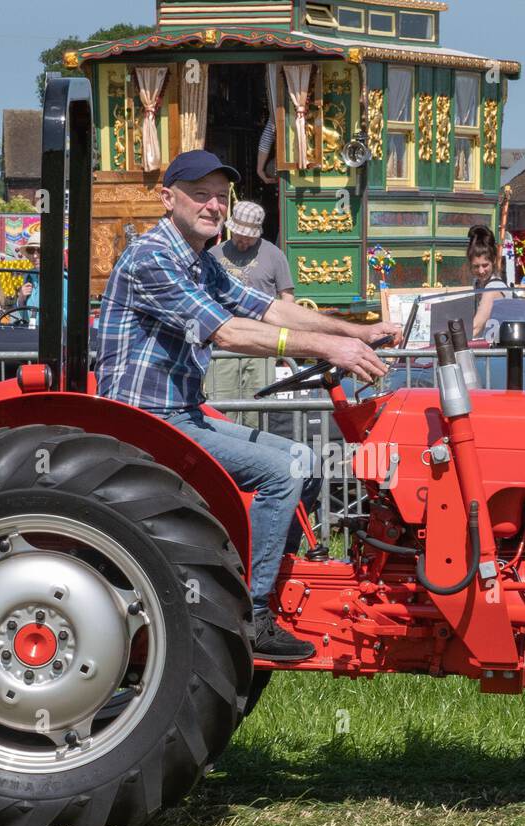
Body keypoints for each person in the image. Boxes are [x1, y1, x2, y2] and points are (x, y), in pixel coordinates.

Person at [95, 149, 396, 660]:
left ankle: (280, 588)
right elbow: (229, 330)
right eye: (199, 193)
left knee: (302, 459)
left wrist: (356, 330)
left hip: (180, 413)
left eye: (220, 195)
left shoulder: (197, 259)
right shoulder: (153, 257)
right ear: (168, 198)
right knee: (282, 470)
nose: (212, 205)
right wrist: (330, 348)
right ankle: (251, 615)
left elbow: (269, 307)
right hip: (145, 422)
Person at [204, 200, 295, 429]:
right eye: (239, 235)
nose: (243, 241)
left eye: (248, 237)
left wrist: (284, 337)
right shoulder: (214, 254)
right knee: (221, 406)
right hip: (223, 345)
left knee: (259, 407)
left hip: (262, 344)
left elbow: (287, 299)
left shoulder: (274, 255)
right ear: (231, 229)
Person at [467, 226, 509, 338]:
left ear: (494, 260)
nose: (481, 271)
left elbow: (475, 327)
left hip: (495, 352)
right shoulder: (478, 284)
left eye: (485, 265)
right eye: (476, 266)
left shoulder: (494, 288)